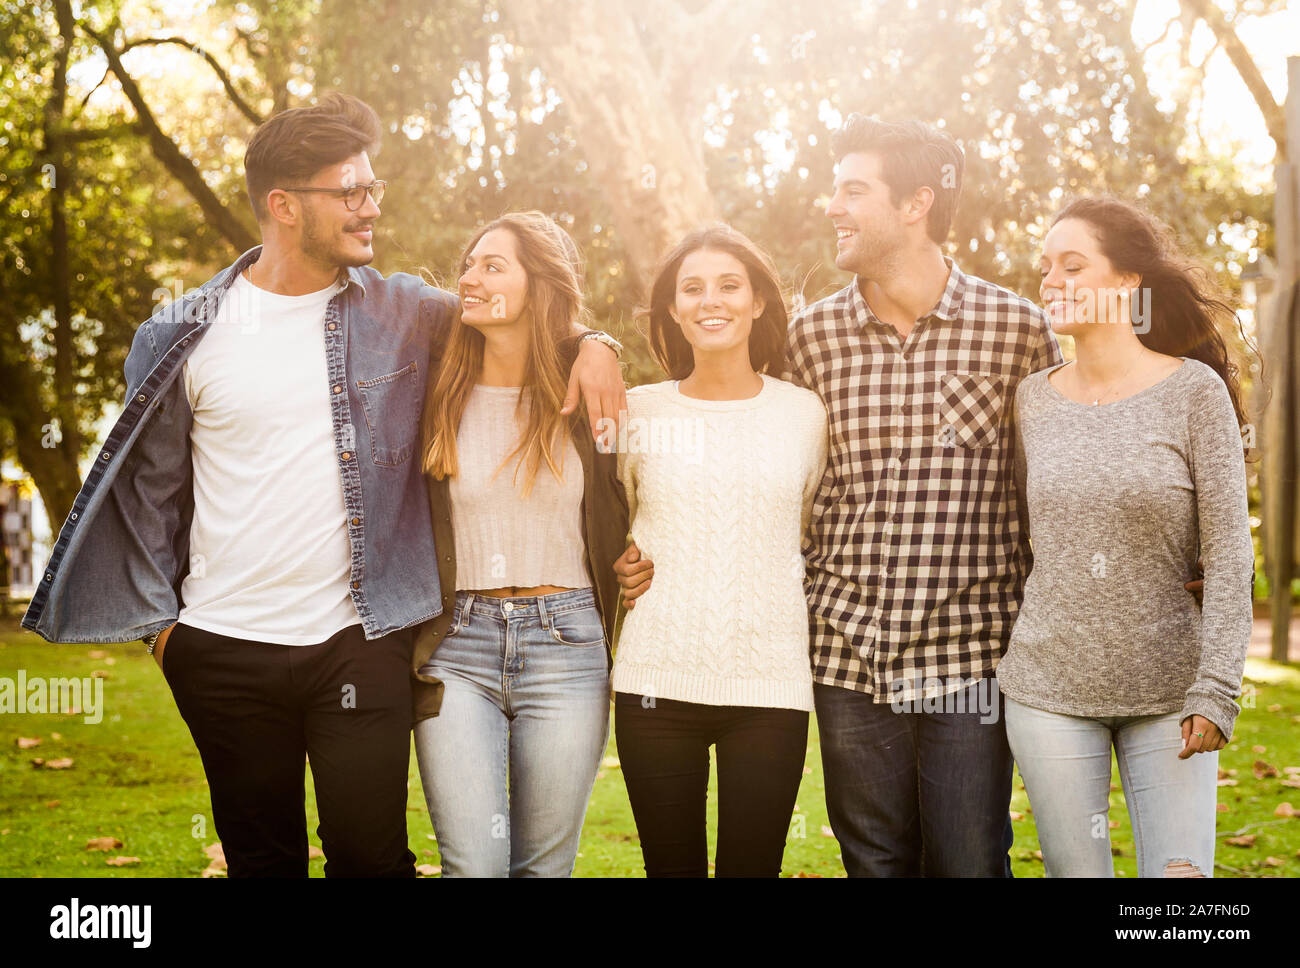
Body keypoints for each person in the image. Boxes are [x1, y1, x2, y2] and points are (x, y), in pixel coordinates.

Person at [21, 96, 625, 878]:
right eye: (349, 193)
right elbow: (149, 501)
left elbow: (516, 310)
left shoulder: (405, 312)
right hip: (223, 649)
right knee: (263, 858)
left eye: (372, 188)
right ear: (282, 205)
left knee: (371, 858)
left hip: (360, 644)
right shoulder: (182, 333)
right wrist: (168, 639)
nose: (369, 208)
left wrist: (595, 343)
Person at [618, 115, 1062, 877]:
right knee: (874, 863)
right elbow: (748, 461)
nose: (832, 206)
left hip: (970, 655)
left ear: (916, 203)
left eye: (853, 190)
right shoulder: (813, 341)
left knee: (968, 861)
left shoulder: (1015, 329)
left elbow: (1054, 477)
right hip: (848, 657)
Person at [998, 196, 1256, 878]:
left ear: (1127, 284)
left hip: (1172, 693)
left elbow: (1231, 551)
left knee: (1178, 892)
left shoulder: (1193, 393)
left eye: (1073, 265)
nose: (1051, 280)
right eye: (1045, 266)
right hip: (1049, 689)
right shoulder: (1032, 400)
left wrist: (1217, 689)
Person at [410, 212, 629, 877]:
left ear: (540, 284)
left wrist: (597, 341)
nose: (469, 279)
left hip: (567, 646)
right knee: (473, 866)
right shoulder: (432, 388)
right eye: (468, 265)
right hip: (457, 648)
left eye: (492, 265)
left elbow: (643, 502)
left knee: (543, 869)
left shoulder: (588, 394)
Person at [611, 225, 828, 877]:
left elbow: (807, 527)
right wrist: (620, 558)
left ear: (758, 300)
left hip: (769, 685)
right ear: (673, 311)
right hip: (654, 682)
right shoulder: (638, 412)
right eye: (693, 288)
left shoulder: (804, 415)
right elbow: (607, 523)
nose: (713, 301)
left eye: (730, 285)